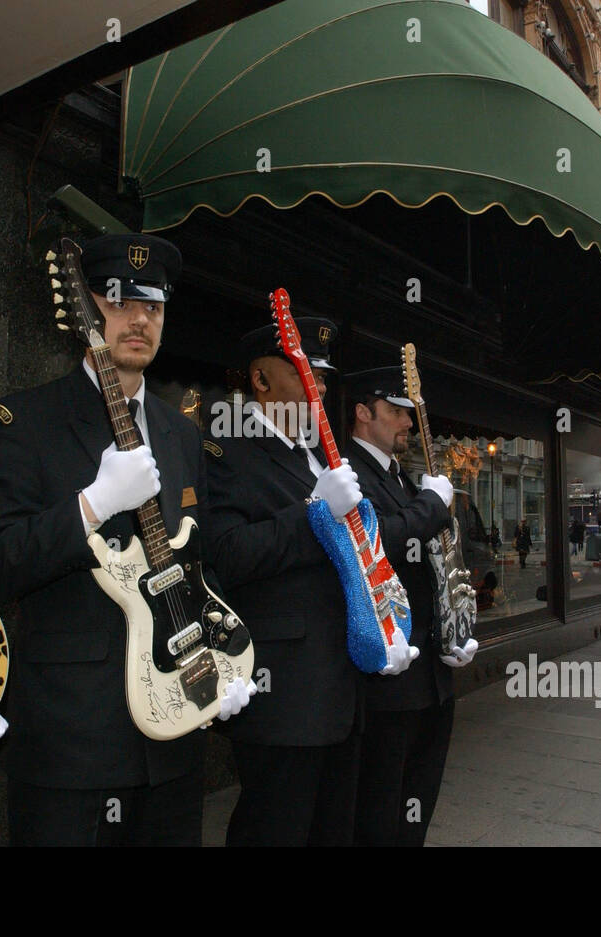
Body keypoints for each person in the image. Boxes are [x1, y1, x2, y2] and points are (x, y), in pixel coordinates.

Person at [0, 233, 251, 846]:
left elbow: (197, 560)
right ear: (85, 312)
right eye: (119, 302)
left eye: (153, 306)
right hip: (69, 740)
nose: (139, 318)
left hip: (175, 728)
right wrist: (89, 507)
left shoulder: (180, 432)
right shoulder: (24, 422)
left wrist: (228, 654)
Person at [203, 319, 406, 846]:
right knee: (276, 829)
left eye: (322, 376)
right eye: (304, 373)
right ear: (262, 381)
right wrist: (313, 512)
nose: (317, 388)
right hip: (284, 692)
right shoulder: (227, 451)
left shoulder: (314, 453)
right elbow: (226, 554)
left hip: (340, 689)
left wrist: (386, 623)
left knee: (332, 829)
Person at [341, 366, 473, 847]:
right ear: (362, 412)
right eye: (396, 411)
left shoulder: (404, 479)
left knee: (417, 803)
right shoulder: (347, 473)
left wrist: (454, 628)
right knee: (379, 809)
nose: (408, 424)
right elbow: (372, 546)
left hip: (429, 674)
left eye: (409, 413)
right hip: (385, 683)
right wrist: (431, 507)